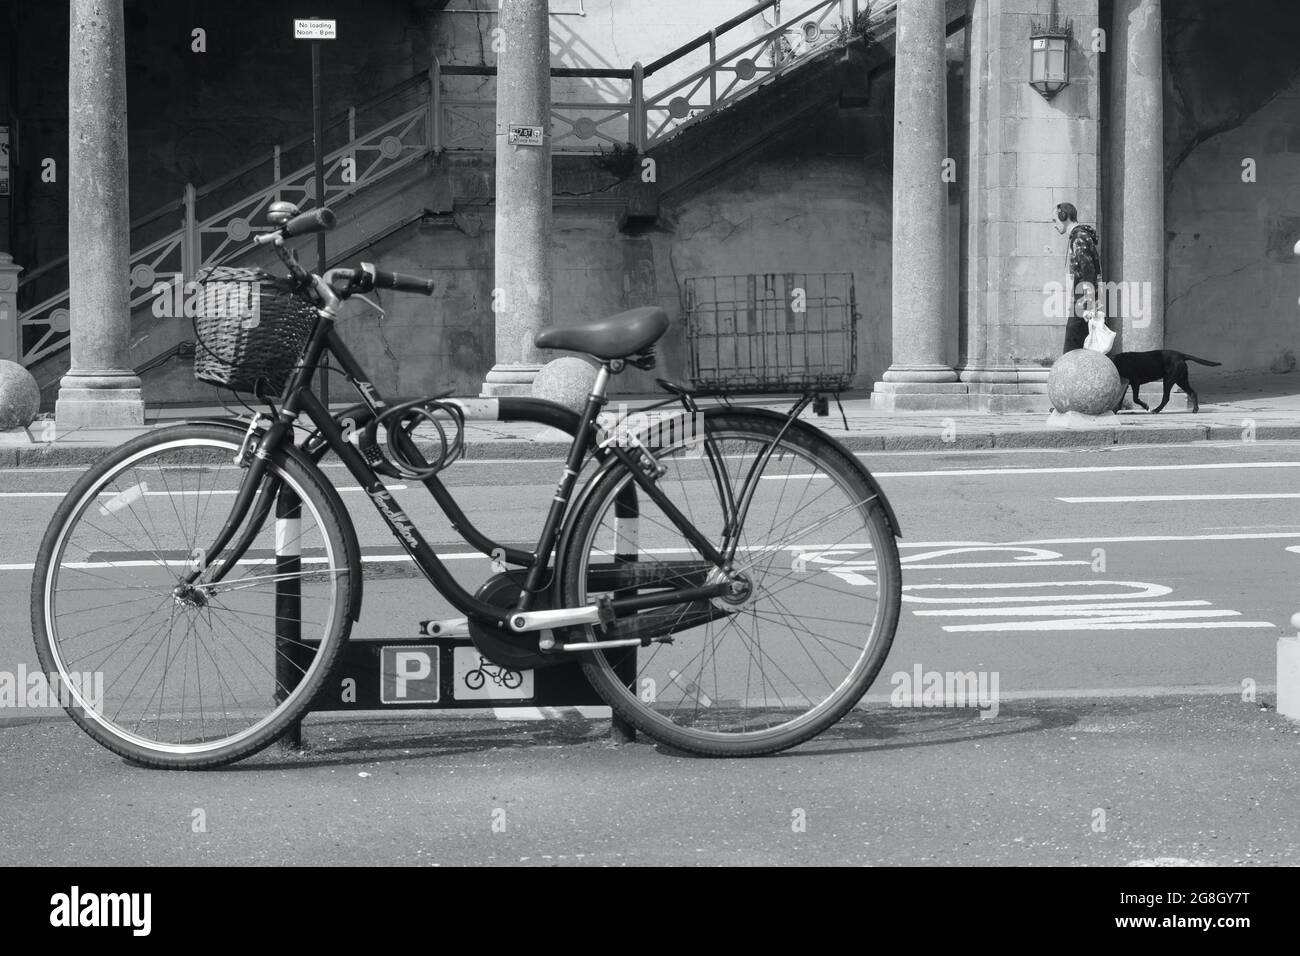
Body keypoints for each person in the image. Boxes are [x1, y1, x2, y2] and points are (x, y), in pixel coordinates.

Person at [1054, 202, 1102, 352]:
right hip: (1082, 302)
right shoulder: (1080, 236)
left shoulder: (1079, 238)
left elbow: (1088, 271)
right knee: (1081, 350)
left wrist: (1087, 306)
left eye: (1055, 220)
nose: (1054, 225)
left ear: (1064, 216)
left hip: (1082, 303)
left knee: (1070, 350)